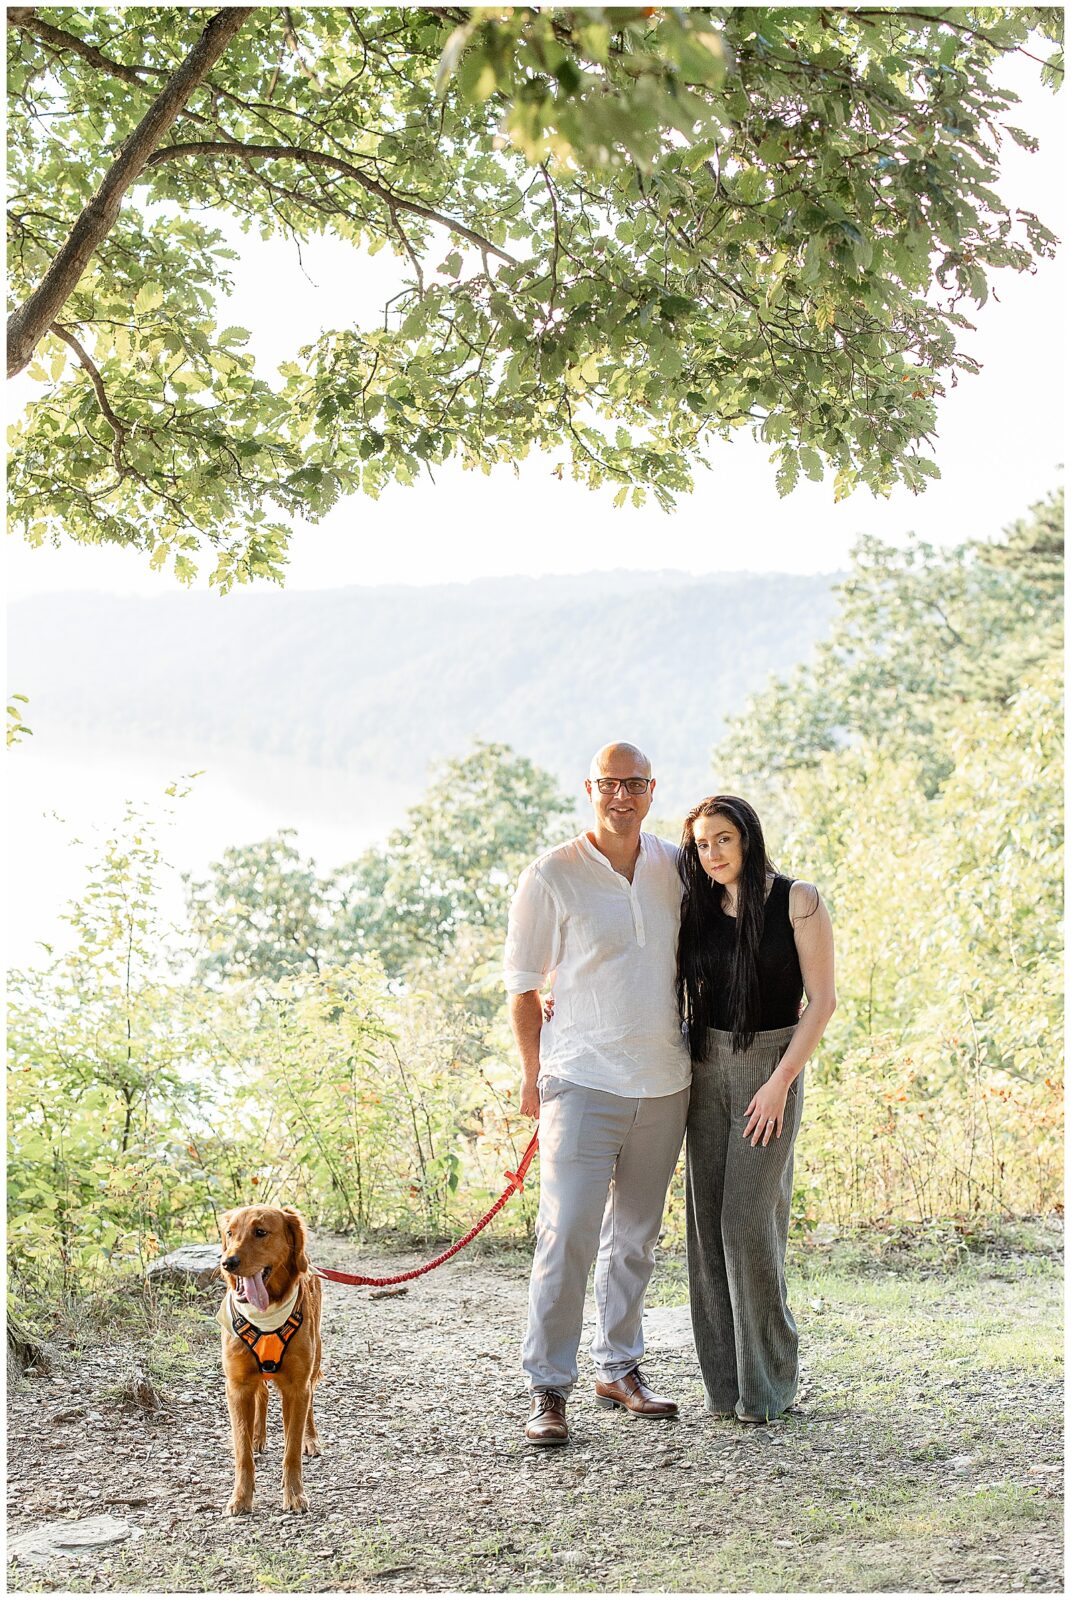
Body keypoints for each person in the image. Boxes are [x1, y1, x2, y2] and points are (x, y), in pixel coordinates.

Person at [504, 742, 691, 1445]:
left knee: (635, 1240)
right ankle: (548, 1389)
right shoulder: (552, 873)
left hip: (665, 1081)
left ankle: (619, 1369)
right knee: (567, 1237)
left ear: (652, 790)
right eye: (609, 784)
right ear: (590, 789)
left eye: (634, 784)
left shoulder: (677, 865)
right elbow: (523, 986)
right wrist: (533, 1076)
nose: (621, 796)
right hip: (580, 1080)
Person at [677, 795, 836, 1424]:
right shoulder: (698, 906)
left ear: (748, 837)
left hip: (772, 1068)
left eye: (723, 839)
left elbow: (822, 1002)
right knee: (705, 1230)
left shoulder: (798, 901)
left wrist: (780, 1082)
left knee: (747, 1225)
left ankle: (769, 1383)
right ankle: (726, 1390)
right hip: (704, 1068)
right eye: (702, 844)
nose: (713, 853)